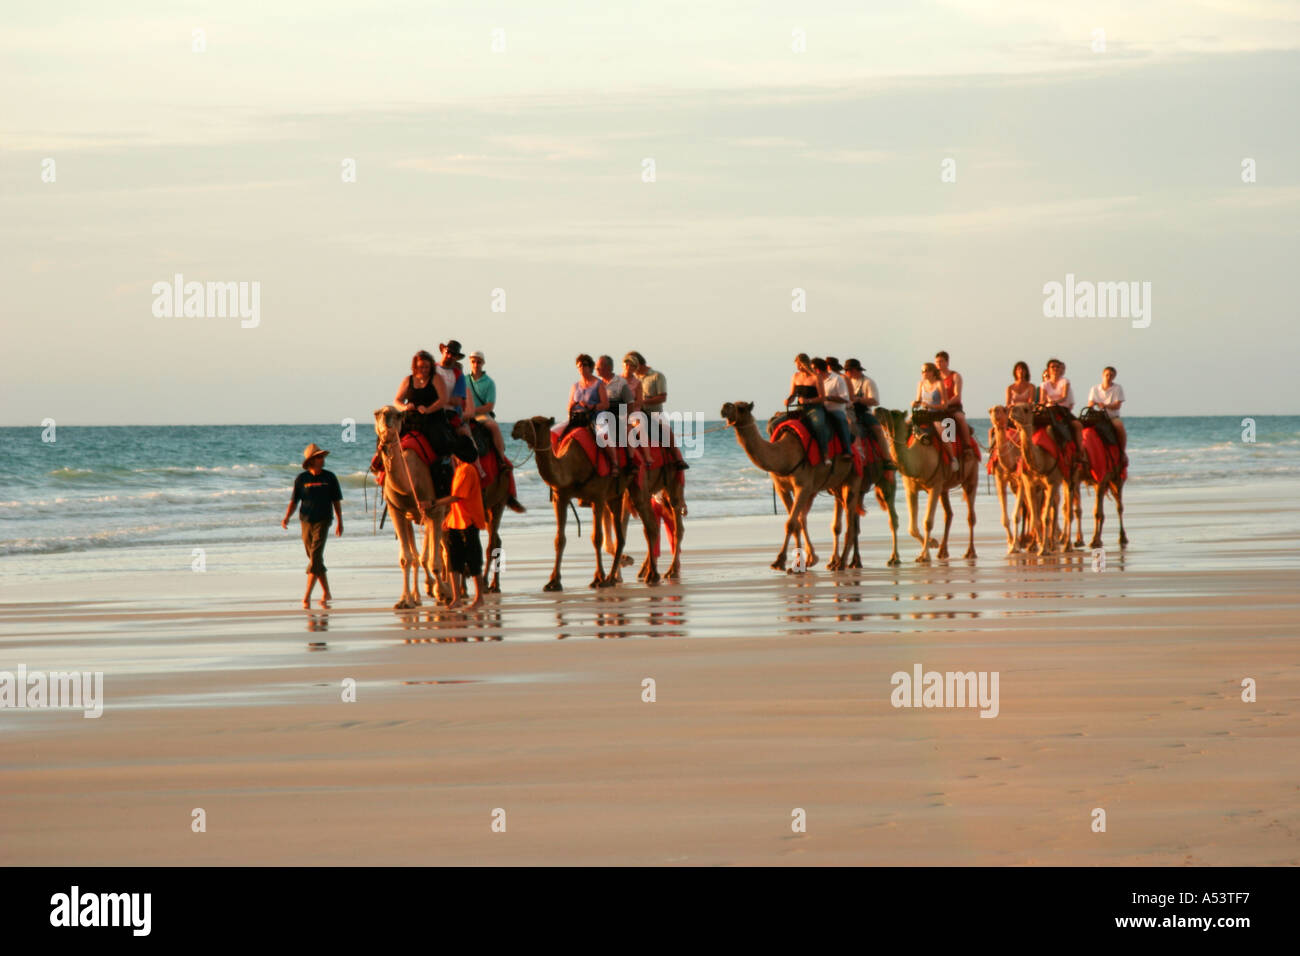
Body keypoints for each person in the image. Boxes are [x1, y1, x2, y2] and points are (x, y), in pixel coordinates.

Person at [281, 443, 343, 608]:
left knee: (315, 556)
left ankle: (307, 596)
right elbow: (294, 501)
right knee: (314, 558)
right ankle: (327, 592)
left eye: (322, 456)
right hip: (306, 521)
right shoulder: (302, 479)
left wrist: (339, 521)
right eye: (319, 457)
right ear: (311, 460)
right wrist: (287, 517)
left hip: (324, 520)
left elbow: (336, 500)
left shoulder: (330, 477)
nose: (322, 459)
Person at [467, 350, 525, 514]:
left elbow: (489, 406)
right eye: (473, 361)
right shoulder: (464, 380)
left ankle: (500, 457)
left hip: (481, 415)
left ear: (483, 363)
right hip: (464, 415)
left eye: (478, 361)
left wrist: (473, 410)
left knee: (493, 426)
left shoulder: (489, 383)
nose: (476, 364)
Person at [435, 435, 486, 609]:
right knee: (453, 560)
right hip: (456, 521)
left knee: (473, 560)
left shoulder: (467, 470)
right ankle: (456, 598)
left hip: (469, 521)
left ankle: (479, 598)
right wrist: (448, 518)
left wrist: (433, 503)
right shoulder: (460, 470)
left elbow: (457, 497)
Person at [624, 351, 688, 470]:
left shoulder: (657, 376)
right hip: (634, 413)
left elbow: (662, 397)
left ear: (638, 364)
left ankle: (678, 459)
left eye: (632, 365)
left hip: (653, 414)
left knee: (666, 430)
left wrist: (642, 401)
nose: (629, 368)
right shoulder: (631, 378)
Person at [566, 353, 619, 476]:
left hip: (596, 415)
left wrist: (591, 406)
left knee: (602, 435)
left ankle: (614, 463)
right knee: (558, 434)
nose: (581, 368)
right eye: (579, 366)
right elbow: (569, 405)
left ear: (590, 367)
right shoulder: (575, 386)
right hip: (578, 417)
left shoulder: (598, 384)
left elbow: (605, 404)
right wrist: (573, 407)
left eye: (584, 365)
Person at [785, 353, 832, 459]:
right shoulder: (795, 376)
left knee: (819, 424)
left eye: (799, 364)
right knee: (775, 424)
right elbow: (792, 395)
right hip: (799, 408)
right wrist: (789, 400)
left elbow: (822, 398)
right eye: (797, 365)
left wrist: (808, 400)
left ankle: (825, 453)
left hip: (814, 408)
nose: (798, 367)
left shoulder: (816, 377)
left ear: (805, 364)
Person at [843, 358, 887, 456]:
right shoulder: (845, 382)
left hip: (863, 412)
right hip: (848, 411)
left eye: (847, 370)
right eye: (845, 370)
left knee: (878, 430)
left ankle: (887, 458)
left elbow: (875, 401)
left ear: (854, 370)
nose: (845, 372)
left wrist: (858, 399)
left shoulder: (868, 382)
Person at [813, 357, 854, 458]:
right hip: (818, 409)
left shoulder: (837, 379)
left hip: (834, 409)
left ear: (817, 370)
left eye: (812, 369)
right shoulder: (814, 381)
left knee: (840, 420)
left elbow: (845, 398)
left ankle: (847, 449)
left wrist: (828, 398)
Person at [935, 350, 974, 450]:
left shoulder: (955, 376)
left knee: (960, 418)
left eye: (941, 361)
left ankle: (967, 445)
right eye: (937, 362)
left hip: (953, 406)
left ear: (947, 362)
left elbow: (957, 396)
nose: (939, 364)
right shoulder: (935, 378)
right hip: (937, 407)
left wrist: (947, 403)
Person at [1041, 358, 1083, 450]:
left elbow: (1064, 396)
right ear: (1048, 369)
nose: (1055, 368)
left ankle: (1079, 450)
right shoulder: (1044, 384)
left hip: (1062, 409)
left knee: (1077, 425)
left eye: (1057, 366)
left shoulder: (1065, 381)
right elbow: (1042, 400)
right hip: (1049, 410)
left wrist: (1055, 402)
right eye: (1053, 367)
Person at [1087, 365, 1128, 457]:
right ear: (1103, 375)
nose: (1109, 377)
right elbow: (1090, 403)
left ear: (1114, 377)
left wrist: (1105, 405)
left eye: (1111, 375)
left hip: (1112, 416)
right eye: (1107, 375)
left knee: (1119, 427)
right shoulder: (1095, 388)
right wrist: (1092, 407)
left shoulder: (1117, 388)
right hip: (1097, 416)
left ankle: (1122, 451)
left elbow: (1117, 405)